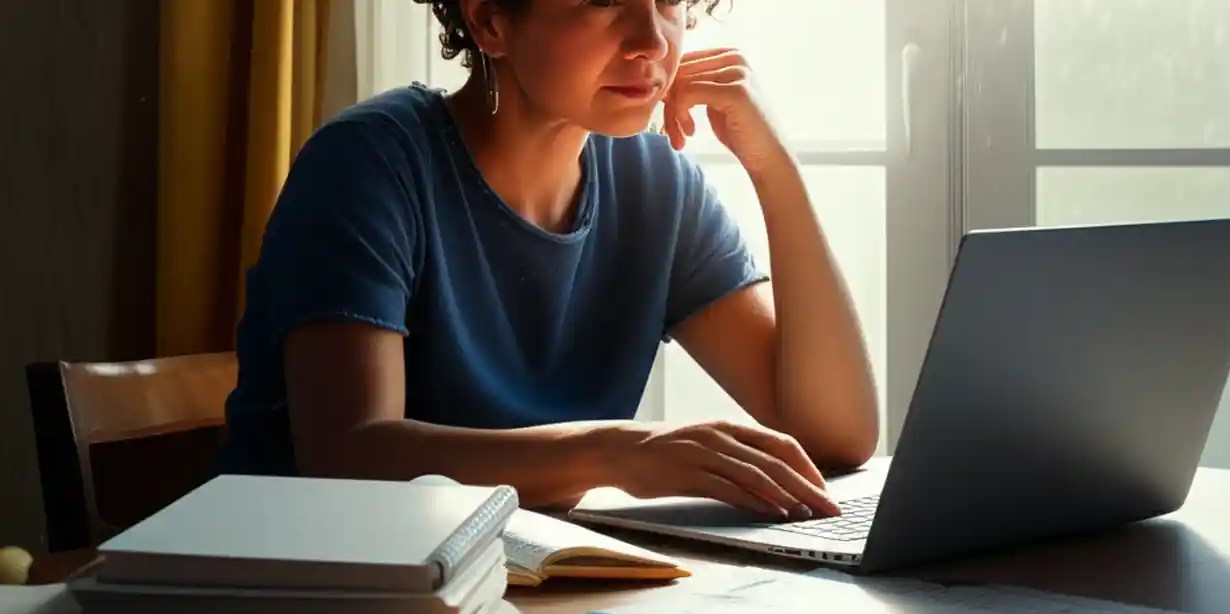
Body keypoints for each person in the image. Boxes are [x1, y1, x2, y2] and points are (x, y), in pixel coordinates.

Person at [214, 0, 878, 521]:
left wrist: (773, 167)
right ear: (490, 21)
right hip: (317, 602)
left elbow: (836, 435)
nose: (653, 42)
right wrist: (616, 454)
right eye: (602, 0)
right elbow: (347, 458)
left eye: (670, 0)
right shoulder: (369, 163)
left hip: (525, 588)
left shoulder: (656, 183)